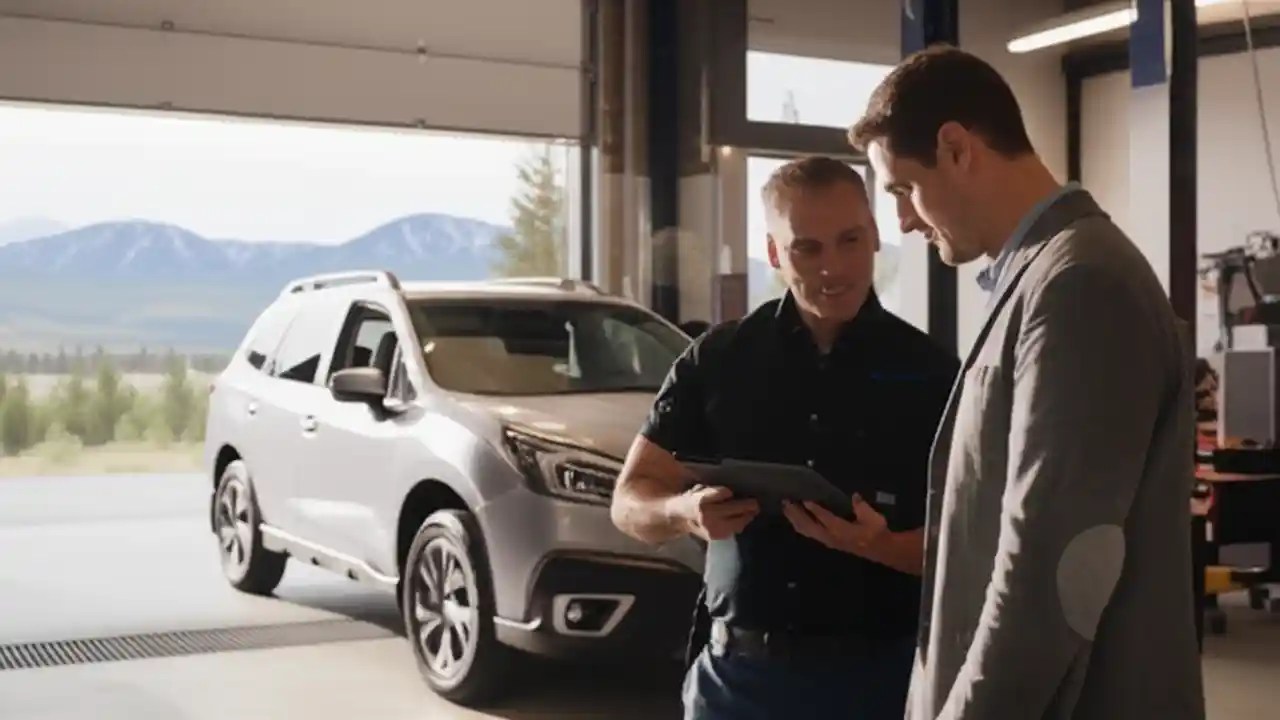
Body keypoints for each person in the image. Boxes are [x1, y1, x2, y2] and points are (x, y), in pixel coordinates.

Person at [849, 45, 1206, 719]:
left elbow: (1055, 571)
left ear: (956, 148)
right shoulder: (1035, 278)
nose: (899, 221)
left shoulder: (1081, 285)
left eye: (902, 189)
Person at [609, 156, 958, 720]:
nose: (834, 267)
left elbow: (974, 550)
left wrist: (880, 546)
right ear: (775, 253)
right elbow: (628, 503)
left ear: (874, 237)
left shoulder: (934, 375)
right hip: (735, 684)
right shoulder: (716, 361)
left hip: (879, 685)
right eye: (808, 248)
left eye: (849, 240)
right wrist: (683, 511)